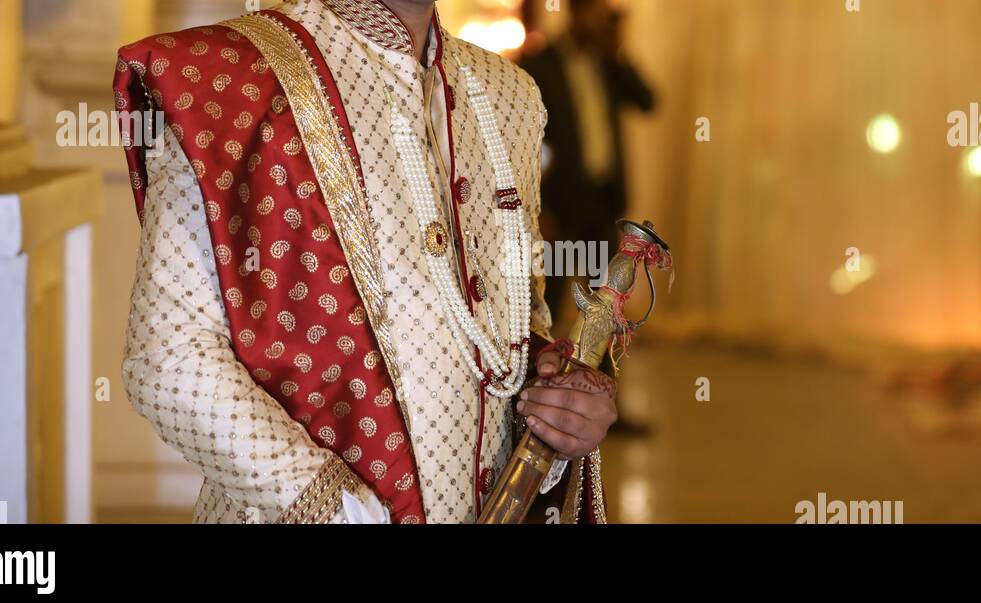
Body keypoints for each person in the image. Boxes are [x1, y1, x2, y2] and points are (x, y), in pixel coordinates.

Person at [114, 0, 617, 524]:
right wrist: (340, 510)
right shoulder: (230, 77)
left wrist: (560, 406)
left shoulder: (509, 95)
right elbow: (168, 358)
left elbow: (512, 329)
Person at [519, 0, 655, 325]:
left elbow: (648, 102)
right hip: (559, 200)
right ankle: (543, 371)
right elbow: (530, 141)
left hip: (602, 198)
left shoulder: (607, 63)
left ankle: (597, 372)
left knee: (605, 299)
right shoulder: (540, 63)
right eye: (593, 16)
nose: (597, 24)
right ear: (575, 14)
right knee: (547, 298)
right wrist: (539, 206)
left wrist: (617, 53)